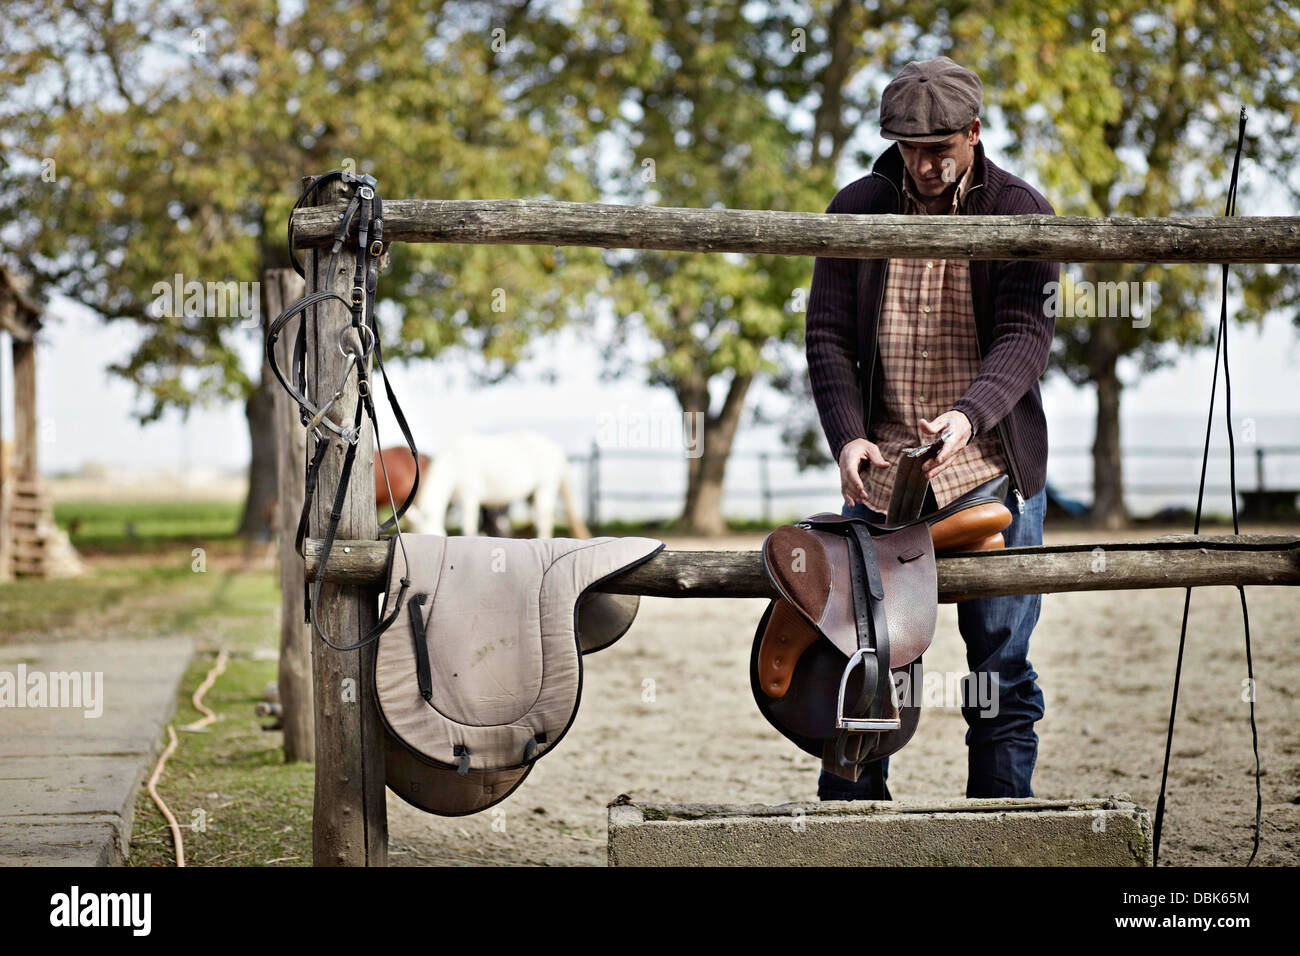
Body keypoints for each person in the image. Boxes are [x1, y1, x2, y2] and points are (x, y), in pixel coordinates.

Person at [805, 56, 1059, 800]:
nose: (922, 164)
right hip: (880, 476)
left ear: (974, 133)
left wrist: (967, 414)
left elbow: (1025, 336)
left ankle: (1002, 831)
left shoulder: (1019, 212)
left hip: (989, 467)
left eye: (939, 149)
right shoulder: (856, 208)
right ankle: (851, 839)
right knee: (864, 670)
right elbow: (825, 336)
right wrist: (847, 433)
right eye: (909, 148)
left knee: (1001, 671)